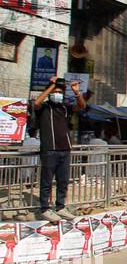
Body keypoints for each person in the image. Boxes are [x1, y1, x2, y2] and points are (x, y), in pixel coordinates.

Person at [31, 77, 87, 221]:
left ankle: (60, 207)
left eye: (60, 92)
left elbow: (81, 106)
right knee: (46, 181)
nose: (57, 94)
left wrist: (76, 92)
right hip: (49, 149)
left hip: (65, 149)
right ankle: (44, 208)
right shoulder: (44, 107)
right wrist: (52, 85)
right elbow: (36, 103)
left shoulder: (64, 107)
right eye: (55, 92)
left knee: (63, 181)